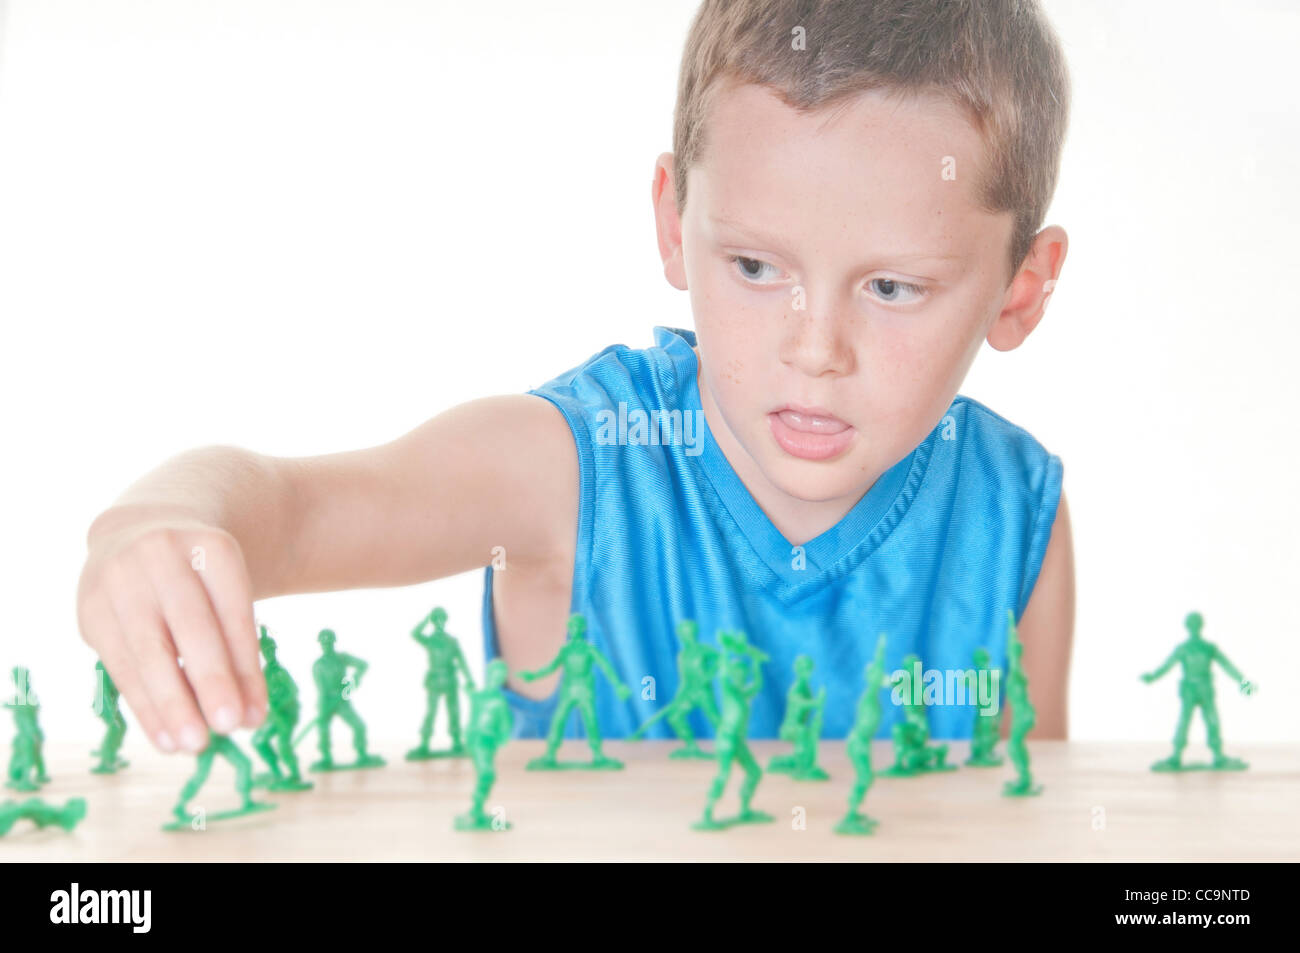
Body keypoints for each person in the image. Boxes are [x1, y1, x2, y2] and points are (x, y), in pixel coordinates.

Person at [76, 0, 1075, 752]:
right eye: (756, 268)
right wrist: (151, 526)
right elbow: (287, 512)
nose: (815, 348)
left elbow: (1029, 814)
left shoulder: (1015, 509)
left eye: (893, 286)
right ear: (672, 224)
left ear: (1017, 291)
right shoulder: (570, 468)